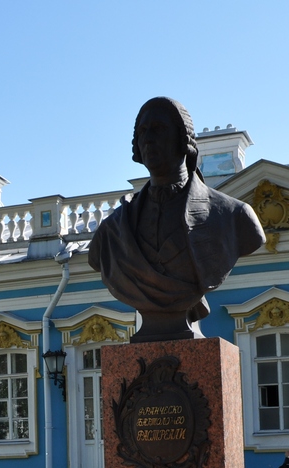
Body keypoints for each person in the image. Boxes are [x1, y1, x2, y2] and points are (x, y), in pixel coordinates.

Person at [88, 96, 265, 342]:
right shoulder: (112, 232)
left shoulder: (232, 216)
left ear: (184, 140)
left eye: (159, 129)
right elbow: (96, 259)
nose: (148, 138)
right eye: (142, 132)